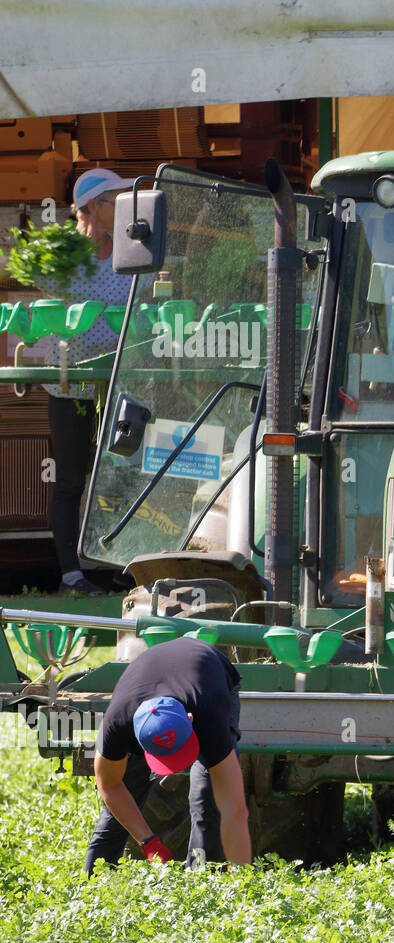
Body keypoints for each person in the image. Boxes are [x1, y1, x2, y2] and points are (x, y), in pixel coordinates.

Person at [41, 168, 136, 594]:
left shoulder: (130, 253)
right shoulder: (65, 259)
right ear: (95, 206)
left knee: (125, 475)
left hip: (118, 386)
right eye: (118, 198)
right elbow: (43, 299)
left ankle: (125, 568)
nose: (127, 206)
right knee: (71, 482)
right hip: (71, 388)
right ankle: (71, 576)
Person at [88, 636, 250, 873]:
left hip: (209, 670)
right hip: (145, 680)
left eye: (179, 752)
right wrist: (148, 842)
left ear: (190, 721)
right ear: (137, 737)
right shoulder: (118, 722)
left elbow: (235, 809)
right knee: (123, 794)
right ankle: (94, 888)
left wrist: (242, 881)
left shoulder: (210, 716)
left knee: (209, 797)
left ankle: (203, 884)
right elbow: (109, 786)